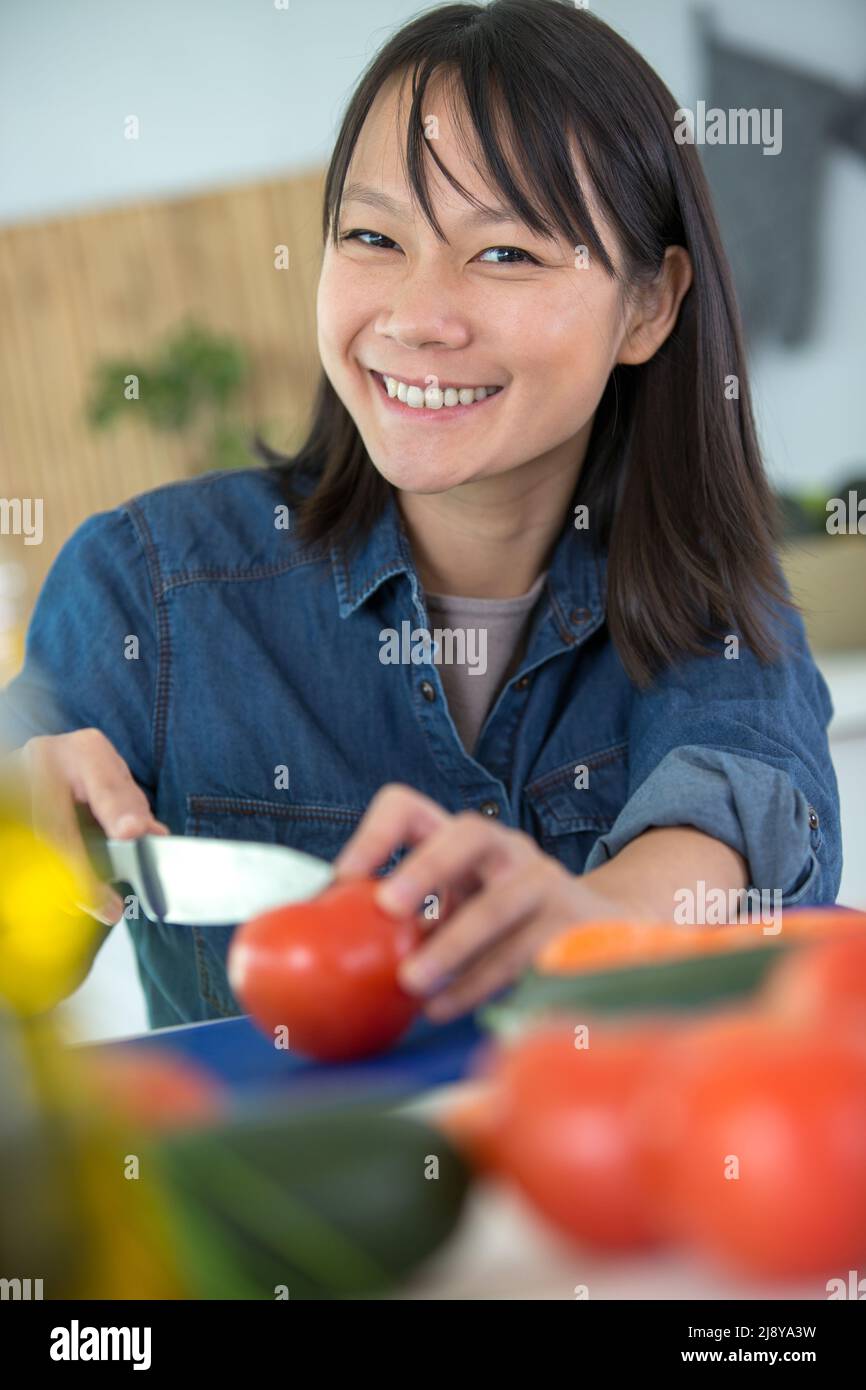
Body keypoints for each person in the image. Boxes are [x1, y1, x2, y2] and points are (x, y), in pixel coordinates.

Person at [0, 1, 840, 1029]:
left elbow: (726, 821)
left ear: (648, 305)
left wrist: (579, 921)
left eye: (504, 255)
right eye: (370, 236)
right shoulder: (146, 584)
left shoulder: (707, 591)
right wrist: (24, 850)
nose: (414, 317)